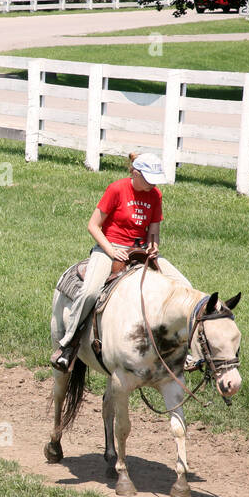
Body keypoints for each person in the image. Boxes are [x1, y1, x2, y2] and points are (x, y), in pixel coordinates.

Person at [50, 152, 191, 372]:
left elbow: (153, 230)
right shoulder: (117, 189)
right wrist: (112, 250)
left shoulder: (155, 195)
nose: (152, 185)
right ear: (135, 173)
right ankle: (69, 343)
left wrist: (153, 247)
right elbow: (93, 226)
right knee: (89, 291)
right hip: (109, 248)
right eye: (149, 179)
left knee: (185, 288)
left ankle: (184, 348)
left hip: (140, 251)